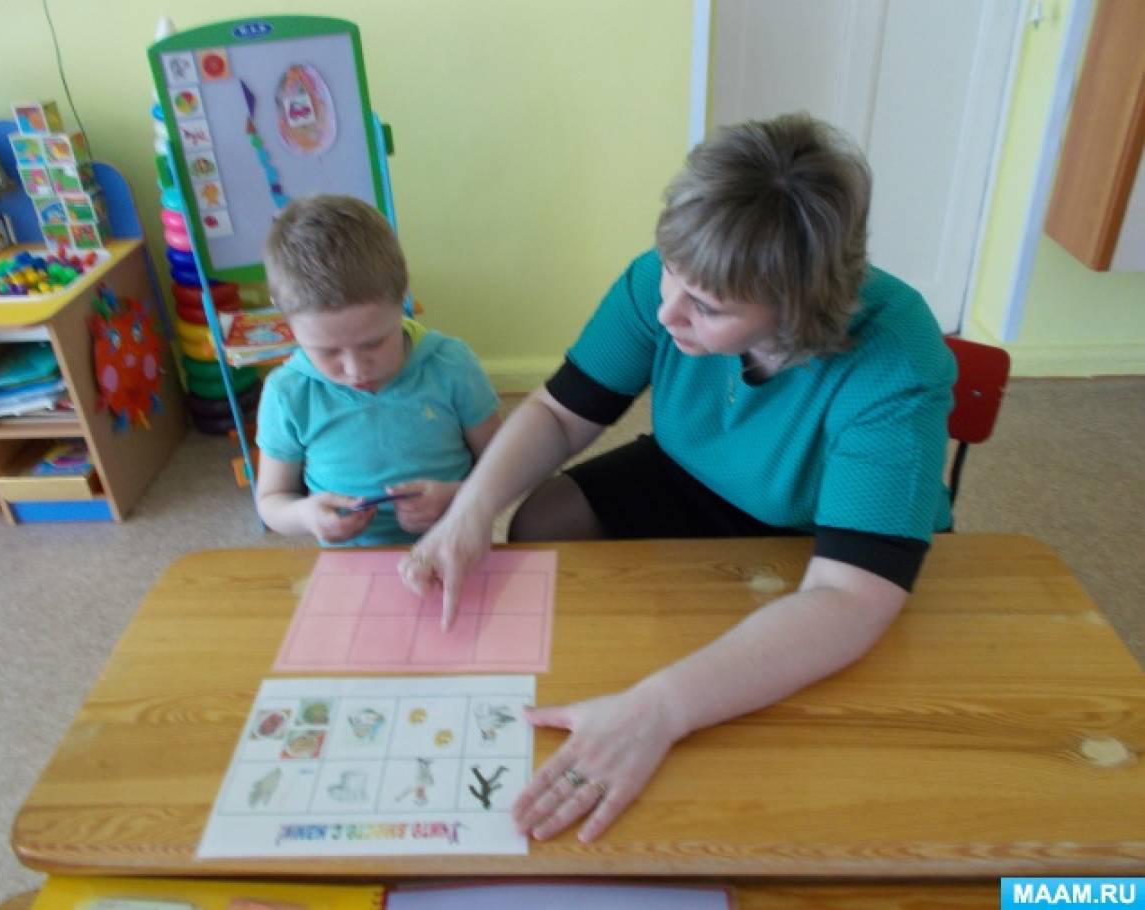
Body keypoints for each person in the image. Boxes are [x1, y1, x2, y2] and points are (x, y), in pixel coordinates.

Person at [398, 113, 956, 841]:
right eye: (670, 270)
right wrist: (472, 509)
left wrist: (660, 708)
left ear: (798, 312)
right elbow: (560, 414)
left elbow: (850, 598)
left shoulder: (896, 360)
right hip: (693, 471)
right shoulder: (668, 284)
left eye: (708, 307)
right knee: (542, 519)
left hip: (816, 528)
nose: (666, 312)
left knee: (806, 731)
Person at [255, 195, 501, 546]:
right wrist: (305, 515)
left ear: (403, 294)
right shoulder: (288, 393)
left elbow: (504, 469)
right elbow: (271, 501)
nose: (355, 370)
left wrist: (458, 497)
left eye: (374, 343)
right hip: (350, 563)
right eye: (327, 351)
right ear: (285, 317)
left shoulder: (451, 366)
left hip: (455, 546)